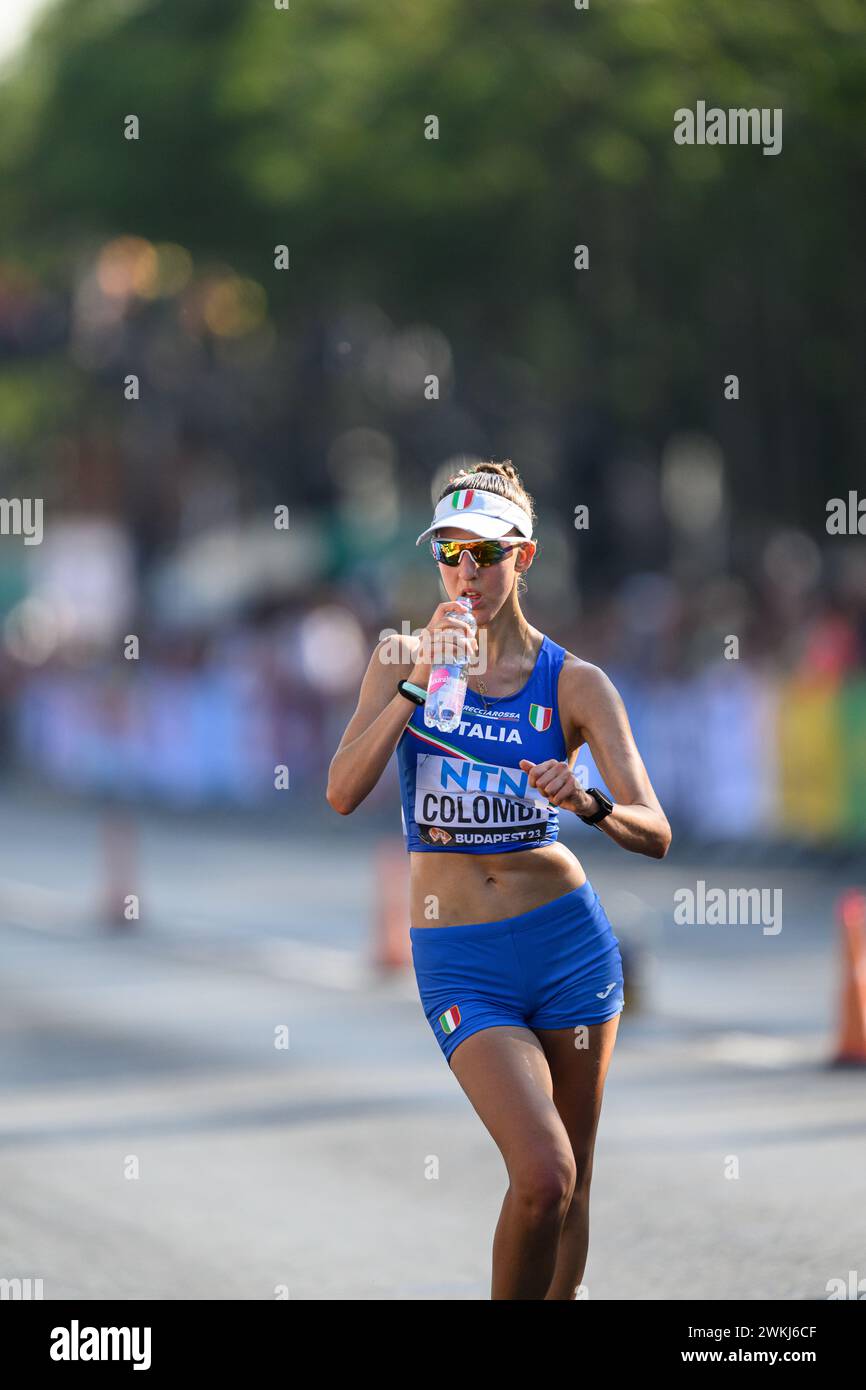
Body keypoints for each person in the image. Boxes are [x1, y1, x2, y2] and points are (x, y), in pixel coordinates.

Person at [327, 460, 670, 1300]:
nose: (466, 573)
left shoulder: (575, 683)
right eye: (450, 554)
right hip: (460, 961)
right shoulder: (400, 657)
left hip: (568, 946)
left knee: (574, 1182)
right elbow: (341, 791)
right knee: (542, 1173)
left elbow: (654, 831)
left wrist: (588, 803)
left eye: (486, 553)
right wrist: (415, 686)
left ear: (526, 559)